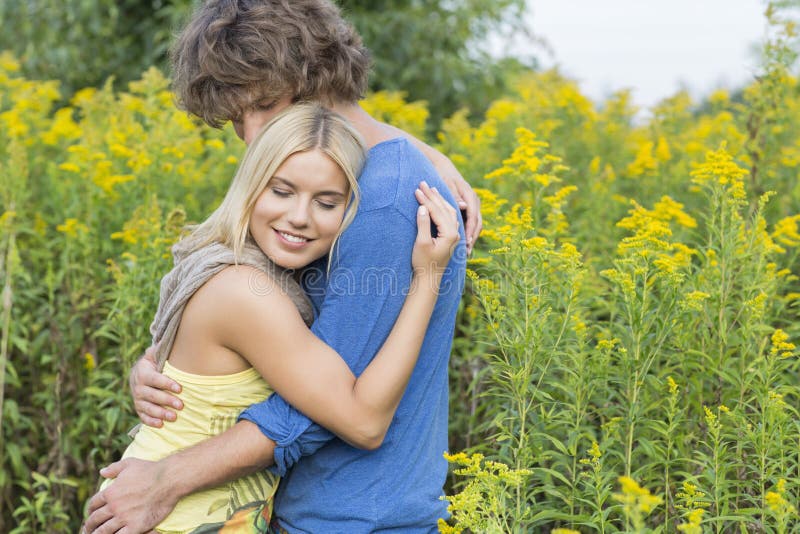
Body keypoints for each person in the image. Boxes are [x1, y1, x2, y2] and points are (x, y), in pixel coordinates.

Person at [85, 1, 476, 532]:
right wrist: (172, 366)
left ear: (314, 76)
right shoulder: (331, 179)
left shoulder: (383, 203)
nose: (250, 137)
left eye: (264, 104)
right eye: (236, 119)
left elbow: (337, 409)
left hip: (350, 515)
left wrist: (170, 476)